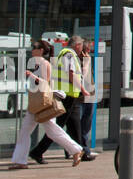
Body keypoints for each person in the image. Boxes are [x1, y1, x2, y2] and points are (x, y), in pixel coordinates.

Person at [8, 40, 84, 169]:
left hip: (43, 104)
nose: (32, 50)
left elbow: (46, 83)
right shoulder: (38, 64)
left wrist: (32, 76)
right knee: (30, 131)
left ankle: (76, 149)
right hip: (36, 104)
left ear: (41, 50)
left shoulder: (45, 64)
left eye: (34, 47)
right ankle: (21, 161)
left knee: (52, 131)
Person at [29, 35, 88, 164]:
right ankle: (37, 151)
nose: (82, 47)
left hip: (69, 95)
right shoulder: (69, 55)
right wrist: (83, 90)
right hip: (66, 95)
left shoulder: (67, 54)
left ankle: (81, 151)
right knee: (57, 127)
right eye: (81, 44)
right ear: (77, 45)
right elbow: (71, 74)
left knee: (73, 125)